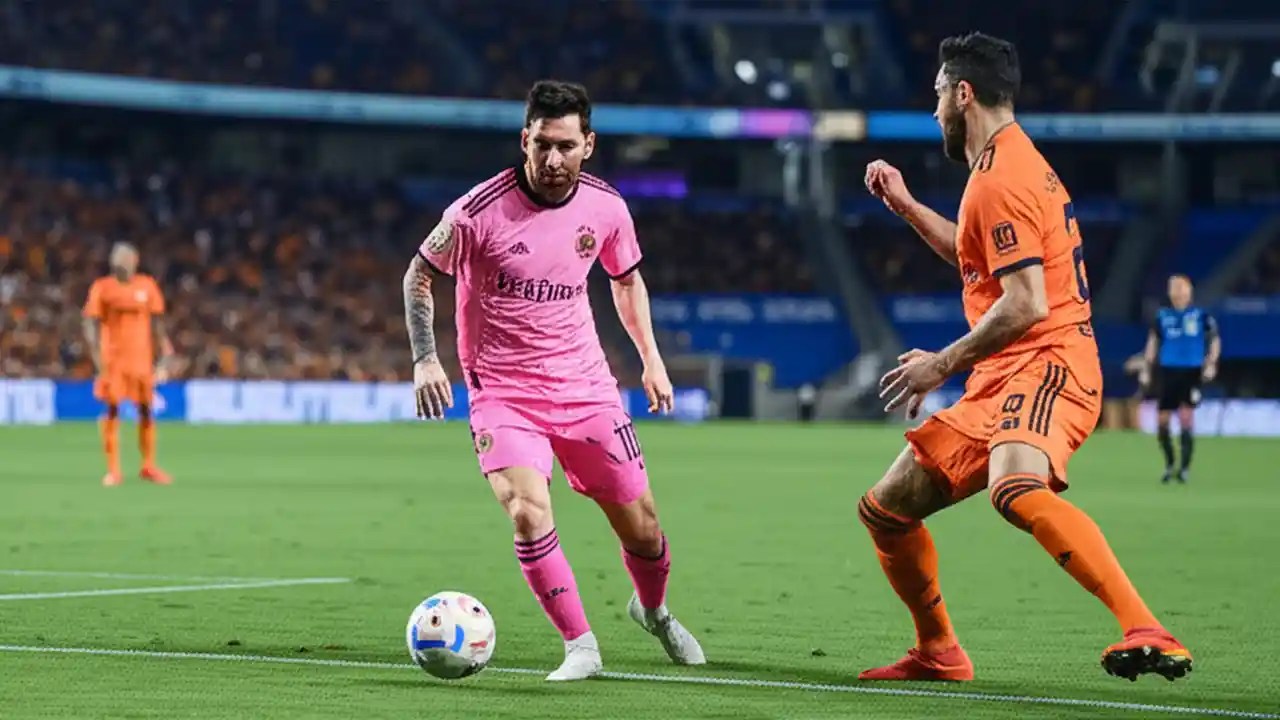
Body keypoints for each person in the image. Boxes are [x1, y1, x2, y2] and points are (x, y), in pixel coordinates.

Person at [859, 32, 1191, 682]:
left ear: (963, 93)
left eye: (936, 98)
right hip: (1005, 374)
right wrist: (905, 207)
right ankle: (939, 652)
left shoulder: (1002, 179)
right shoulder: (1005, 165)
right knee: (886, 509)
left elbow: (1027, 303)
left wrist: (941, 364)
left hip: (1049, 363)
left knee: (1014, 488)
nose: (934, 115)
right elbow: (976, 258)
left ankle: (1146, 626)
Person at [401, 80, 705, 682]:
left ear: (588, 144)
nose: (553, 159)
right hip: (503, 394)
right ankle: (581, 644)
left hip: (587, 388)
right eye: (542, 144)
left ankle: (654, 611)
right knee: (526, 511)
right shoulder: (473, 214)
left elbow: (626, 281)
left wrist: (651, 357)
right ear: (525, 140)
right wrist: (425, 358)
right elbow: (418, 275)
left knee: (642, 525)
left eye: (566, 146)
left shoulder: (607, 208)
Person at [82, 242, 174, 487]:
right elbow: (90, 322)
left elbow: (157, 323)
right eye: (120, 260)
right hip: (113, 361)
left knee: (146, 410)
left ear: (136, 261)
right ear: (114, 263)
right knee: (112, 410)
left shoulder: (147, 286)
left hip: (141, 361)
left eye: (128, 259)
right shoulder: (102, 288)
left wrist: (164, 350)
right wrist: (95, 355)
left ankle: (148, 466)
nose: (125, 264)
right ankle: (113, 470)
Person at [1140, 274, 1220, 483]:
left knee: (1186, 417)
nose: (1177, 291)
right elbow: (1153, 342)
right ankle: (1169, 464)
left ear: (1189, 291)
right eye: (1173, 287)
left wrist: (1210, 364)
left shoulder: (1200, 315)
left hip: (1191, 372)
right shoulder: (1162, 316)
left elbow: (1214, 340)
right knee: (1162, 421)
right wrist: (1147, 368)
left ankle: (1184, 468)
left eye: (1181, 287)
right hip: (1168, 371)